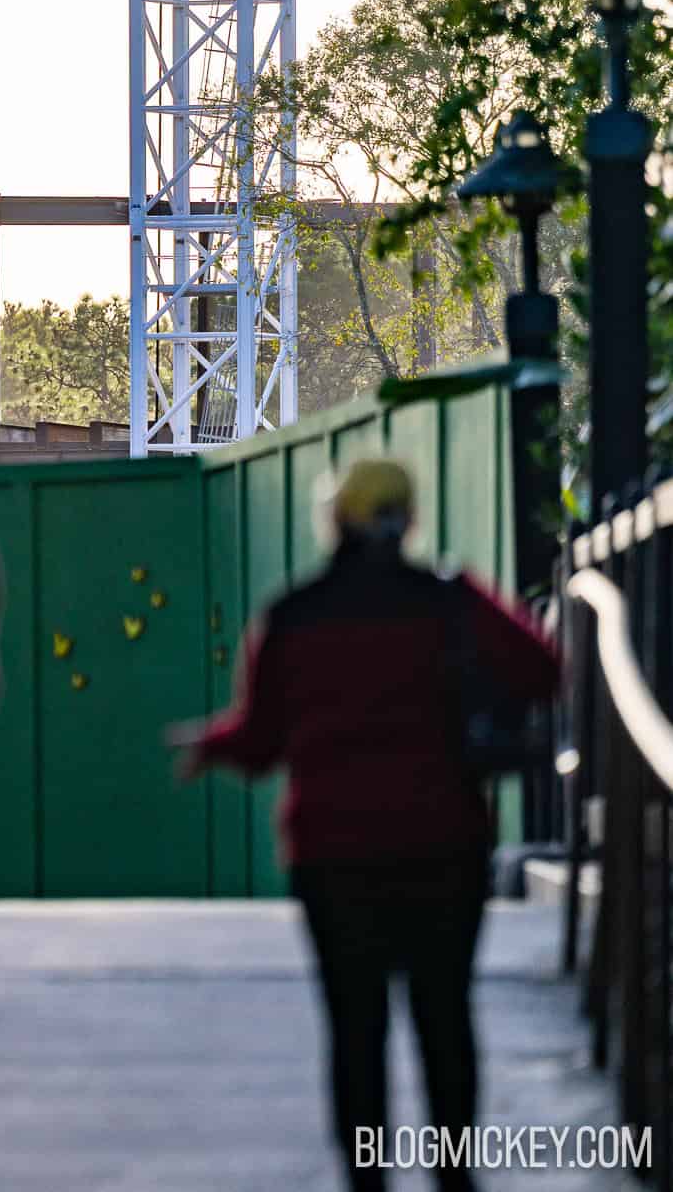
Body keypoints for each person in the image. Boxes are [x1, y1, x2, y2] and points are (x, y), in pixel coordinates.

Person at [173, 459, 556, 1192]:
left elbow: (261, 743)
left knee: (357, 1025)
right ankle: (452, 1173)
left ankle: (368, 1177)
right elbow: (544, 669)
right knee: (444, 1012)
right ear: (409, 519)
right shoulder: (451, 603)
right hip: (445, 842)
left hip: (333, 852)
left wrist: (210, 745)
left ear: (334, 521)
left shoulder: (292, 615)